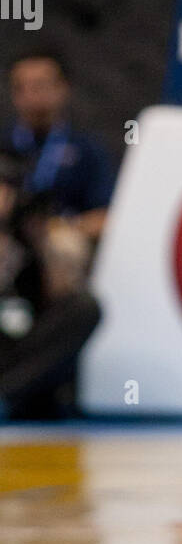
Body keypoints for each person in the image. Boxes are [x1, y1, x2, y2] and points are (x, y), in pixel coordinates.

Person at [0, 152, 101, 419]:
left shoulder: (29, 232)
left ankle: (6, 395)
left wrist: (39, 241)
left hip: (20, 347)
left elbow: (59, 293)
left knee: (84, 307)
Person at [1, 48, 116, 250]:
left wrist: (61, 227)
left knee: (65, 247)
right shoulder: (5, 142)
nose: (31, 95)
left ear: (62, 87)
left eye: (39, 86)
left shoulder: (86, 149)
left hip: (59, 237)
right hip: (7, 235)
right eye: (21, 87)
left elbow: (105, 217)